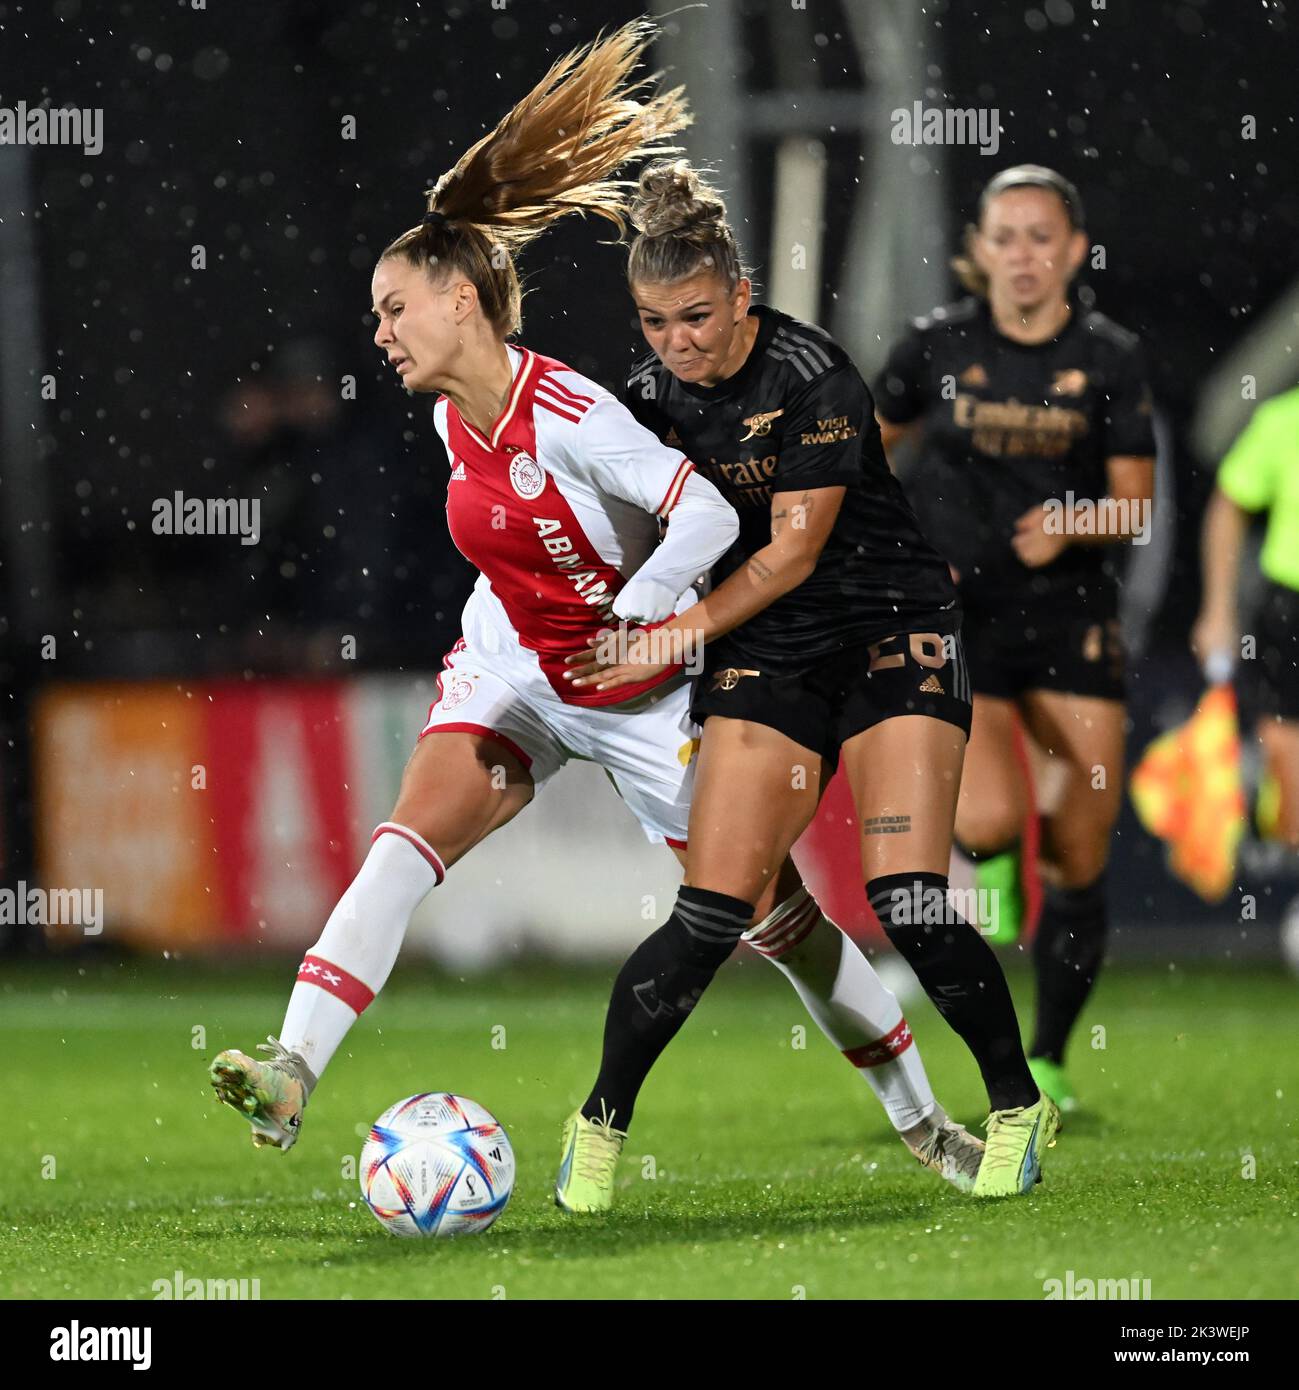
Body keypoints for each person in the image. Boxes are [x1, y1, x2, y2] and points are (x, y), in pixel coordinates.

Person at [207, 21, 981, 1204]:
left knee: (777, 924)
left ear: (462, 302)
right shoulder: (447, 418)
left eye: (393, 308)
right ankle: (292, 1066)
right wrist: (518, 644)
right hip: (514, 666)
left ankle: (928, 1125)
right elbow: (512, 550)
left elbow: (711, 520)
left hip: (640, 693)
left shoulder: (573, 413)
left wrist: (650, 616)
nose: (380, 333)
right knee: (405, 847)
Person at [563, 158, 1056, 1201]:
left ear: (741, 294)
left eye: (695, 315)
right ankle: (598, 1126)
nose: (676, 342)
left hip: (890, 634)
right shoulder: (641, 400)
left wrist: (665, 639)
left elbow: (790, 553)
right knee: (712, 910)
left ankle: (1017, 1102)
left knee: (908, 900)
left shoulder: (812, 374)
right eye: (653, 323)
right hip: (768, 653)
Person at [873, 165, 1157, 1114]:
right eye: (1007, 236)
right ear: (979, 247)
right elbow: (859, 461)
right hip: (960, 619)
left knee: (1078, 850)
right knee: (990, 819)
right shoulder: (930, 346)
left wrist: (1073, 521)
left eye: (1042, 237)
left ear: (1073, 251)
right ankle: (984, 874)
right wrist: (897, 557)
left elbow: (1136, 507)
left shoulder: (1110, 358)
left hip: (1070, 622)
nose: (1023, 255)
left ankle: (1050, 1059)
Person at [1193, 384, 1299, 850]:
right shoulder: (1283, 419)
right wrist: (1218, 609)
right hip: (1290, 616)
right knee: (1288, 767)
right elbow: (1229, 504)